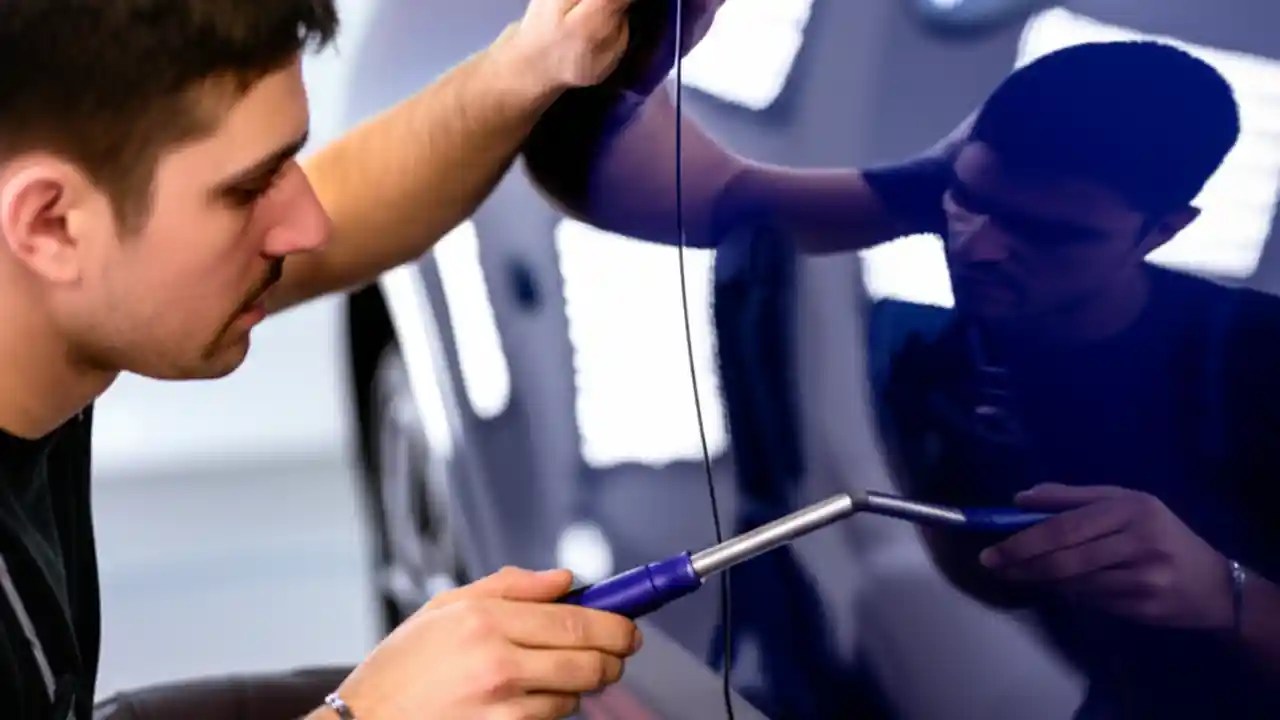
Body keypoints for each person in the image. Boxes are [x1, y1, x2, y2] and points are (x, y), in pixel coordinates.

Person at [523, 3, 1280, 716]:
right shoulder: (924, 341)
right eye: (970, 200)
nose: (977, 248)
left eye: (1048, 234)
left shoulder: (1250, 362)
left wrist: (1230, 597)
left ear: (1163, 231)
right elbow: (683, 195)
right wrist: (637, 43)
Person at [0, 1, 658, 719]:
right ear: (50, 223)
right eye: (249, 190)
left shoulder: (44, 301)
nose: (307, 225)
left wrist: (532, 63)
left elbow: (349, 207)